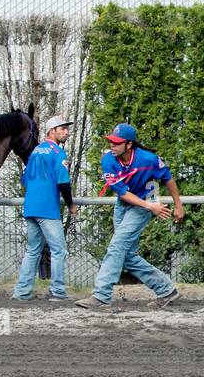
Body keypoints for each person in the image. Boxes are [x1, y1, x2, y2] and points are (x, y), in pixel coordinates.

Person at [76, 123, 184, 309]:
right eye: (111, 141)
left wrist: (178, 205)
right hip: (127, 204)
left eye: (117, 143)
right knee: (125, 255)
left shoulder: (148, 159)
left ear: (129, 145)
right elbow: (123, 193)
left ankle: (101, 295)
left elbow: (167, 178)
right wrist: (151, 206)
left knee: (117, 247)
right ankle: (167, 290)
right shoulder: (108, 160)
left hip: (143, 206)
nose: (112, 145)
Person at [13, 115, 76, 300]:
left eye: (66, 128)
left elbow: (24, 179)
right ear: (51, 131)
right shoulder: (58, 153)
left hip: (30, 207)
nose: (66, 132)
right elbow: (64, 183)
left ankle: (22, 292)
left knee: (33, 250)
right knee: (58, 251)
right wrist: (71, 204)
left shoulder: (35, 152)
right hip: (48, 208)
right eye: (62, 128)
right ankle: (57, 292)